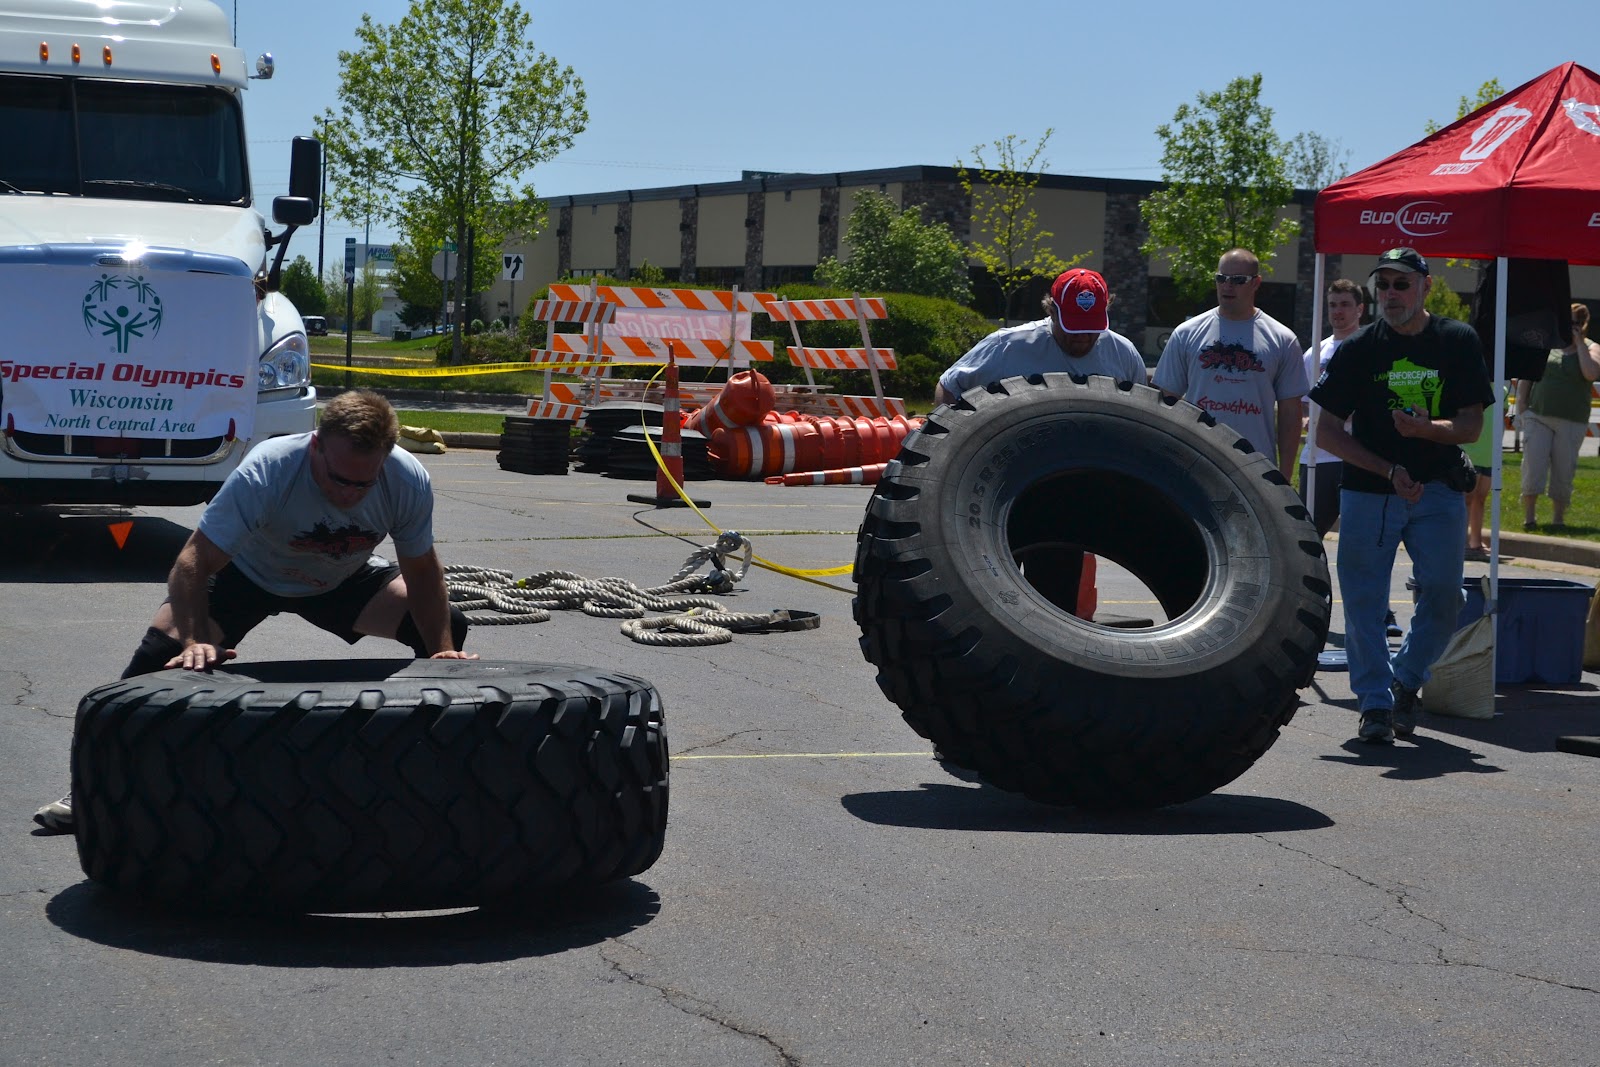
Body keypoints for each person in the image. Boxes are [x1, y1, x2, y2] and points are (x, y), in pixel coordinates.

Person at [33, 390, 476, 833]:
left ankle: (425, 773)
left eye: (364, 484)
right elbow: (192, 562)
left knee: (447, 629)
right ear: (316, 446)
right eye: (338, 479)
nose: (348, 494)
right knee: (158, 656)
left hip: (338, 580)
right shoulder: (270, 467)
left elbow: (421, 572)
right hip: (246, 575)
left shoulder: (406, 478)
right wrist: (193, 641)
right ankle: (90, 784)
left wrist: (441, 652)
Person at [1309, 248, 1494, 744]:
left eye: (1401, 284)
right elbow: (1327, 433)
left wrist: (1426, 430)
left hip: (1437, 492)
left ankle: (1406, 678)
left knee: (1443, 596)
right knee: (1365, 602)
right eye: (1384, 285)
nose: (1391, 294)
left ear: (1426, 288)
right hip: (1370, 492)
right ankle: (1374, 704)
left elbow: (1471, 424)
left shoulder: (1456, 341)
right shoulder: (1358, 348)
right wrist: (1388, 469)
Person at [1153, 248, 1306, 479]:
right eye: (1221, 278)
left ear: (1256, 283)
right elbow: (1165, 401)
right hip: (1196, 463)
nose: (1227, 286)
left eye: (1237, 280)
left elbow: (1290, 413)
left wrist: (1283, 475)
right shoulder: (1186, 333)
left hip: (1256, 469)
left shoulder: (1282, 339)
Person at [934, 267, 1147, 407]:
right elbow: (950, 385)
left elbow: (1145, 412)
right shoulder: (1008, 346)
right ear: (1052, 311)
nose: (1082, 336)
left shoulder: (1124, 355)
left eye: (1090, 327)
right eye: (1073, 327)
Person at [1516, 302, 1600, 531]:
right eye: (1566, 321)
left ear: (1583, 325)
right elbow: (1528, 375)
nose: (1569, 326)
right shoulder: (1547, 344)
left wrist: (1579, 343)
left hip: (1572, 420)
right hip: (1538, 415)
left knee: (1564, 470)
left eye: (1574, 323)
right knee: (1533, 466)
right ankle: (1530, 518)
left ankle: (1558, 519)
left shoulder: (1592, 347)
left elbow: (1591, 372)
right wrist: (1522, 406)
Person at [1299, 279, 1367, 538]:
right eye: (1332, 305)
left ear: (1359, 309)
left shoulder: (1370, 348)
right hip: (1317, 458)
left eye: (1345, 305)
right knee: (1308, 535)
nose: (1338, 311)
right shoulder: (1315, 353)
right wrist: (1306, 418)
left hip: (1357, 456)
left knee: (1360, 538)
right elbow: (1303, 402)